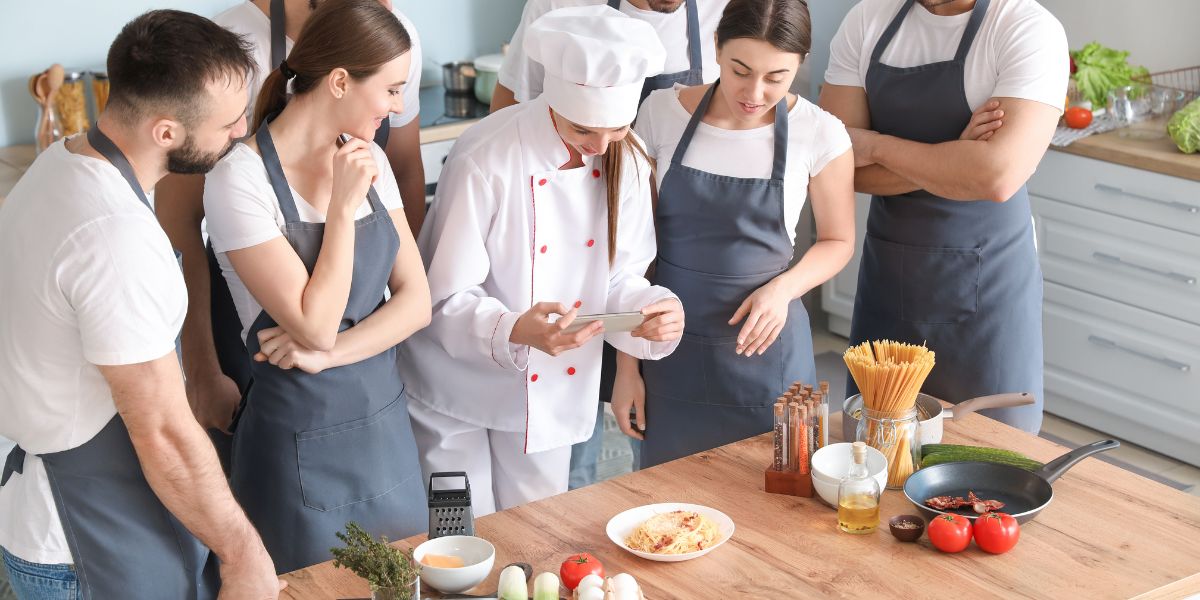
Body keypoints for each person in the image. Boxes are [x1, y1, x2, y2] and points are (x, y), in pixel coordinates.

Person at [0, 10, 281, 599]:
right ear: (165, 133)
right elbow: (161, 432)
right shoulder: (112, 235)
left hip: (52, 518)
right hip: (85, 544)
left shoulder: (62, 162)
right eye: (228, 123)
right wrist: (244, 554)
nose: (239, 133)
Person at [397, 5, 685, 517]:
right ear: (553, 101)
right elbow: (442, 299)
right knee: (458, 540)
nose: (600, 147)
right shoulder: (485, 156)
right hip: (451, 394)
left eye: (615, 129)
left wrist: (650, 311)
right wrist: (514, 328)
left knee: (540, 535)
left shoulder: (630, 158)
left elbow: (618, 278)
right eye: (583, 131)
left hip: (549, 392)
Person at [202, 0, 430, 574]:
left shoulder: (367, 156)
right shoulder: (239, 178)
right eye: (392, 89)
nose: (399, 107)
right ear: (338, 81)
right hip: (295, 452)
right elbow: (315, 322)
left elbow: (417, 302)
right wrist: (343, 206)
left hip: (385, 434)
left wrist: (327, 359)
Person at [154, 0, 426, 463]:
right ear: (338, 81)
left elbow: (404, 169)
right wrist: (200, 368)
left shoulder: (388, 47)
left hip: (376, 398)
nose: (388, 6)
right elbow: (177, 222)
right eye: (390, 91)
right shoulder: (228, 46)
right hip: (259, 354)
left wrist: (369, 308)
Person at [493, 0, 730, 490]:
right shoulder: (557, 7)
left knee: (646, 467)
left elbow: (628, 271)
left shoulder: (721, 13)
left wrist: (632, 358)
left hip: (652, 261)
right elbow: (507, 124)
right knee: (565, 464)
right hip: (557, 274)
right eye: (586, 128)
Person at [618, 0, 855, 467]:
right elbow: (632, 252)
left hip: (767, 354)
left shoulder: (820, 132)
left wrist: (783, 290)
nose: (754, 92)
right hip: (668, 351)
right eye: (739, 70)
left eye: (776, 77)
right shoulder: (660, 113)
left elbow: (838, 240)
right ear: (717, 49)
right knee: (666, 511)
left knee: (776, 508)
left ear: (800, 65)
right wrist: (627, 366)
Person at [819, 0, 1068, 433]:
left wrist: (876, 145)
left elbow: (996, 176)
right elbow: (834, 164)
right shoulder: (867, 20)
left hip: (986, 300)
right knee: (876, 457)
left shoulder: (1025, 28)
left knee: (991, 461)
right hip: (889, 287)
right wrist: (953, 156)